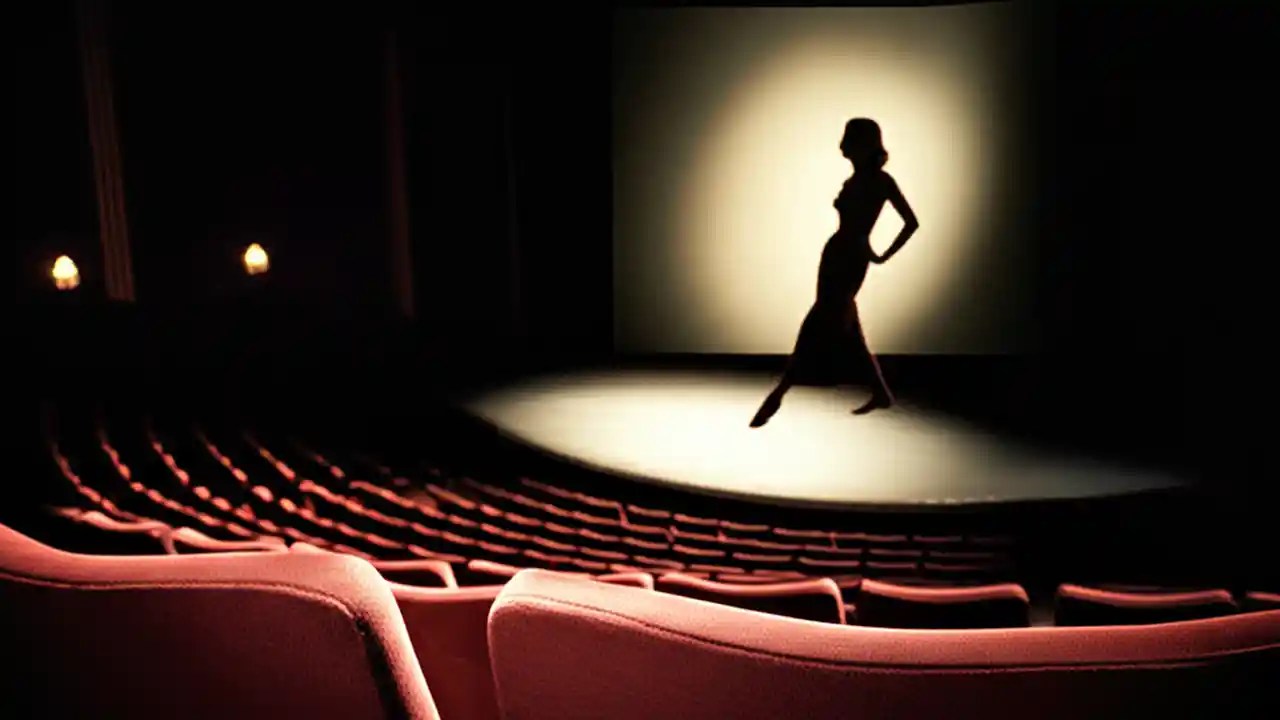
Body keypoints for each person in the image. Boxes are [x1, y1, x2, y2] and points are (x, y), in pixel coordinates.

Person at [750, 118, 918, 427]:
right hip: (836, 252)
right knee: (848, 328)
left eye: (850, 138)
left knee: (818, 319)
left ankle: (779, 392)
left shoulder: (881, 181)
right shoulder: (854, 180)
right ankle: (881, 391)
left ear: (864, 143)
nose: (844, 143)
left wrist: (882, 255)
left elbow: (911, 222)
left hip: (851, 257)